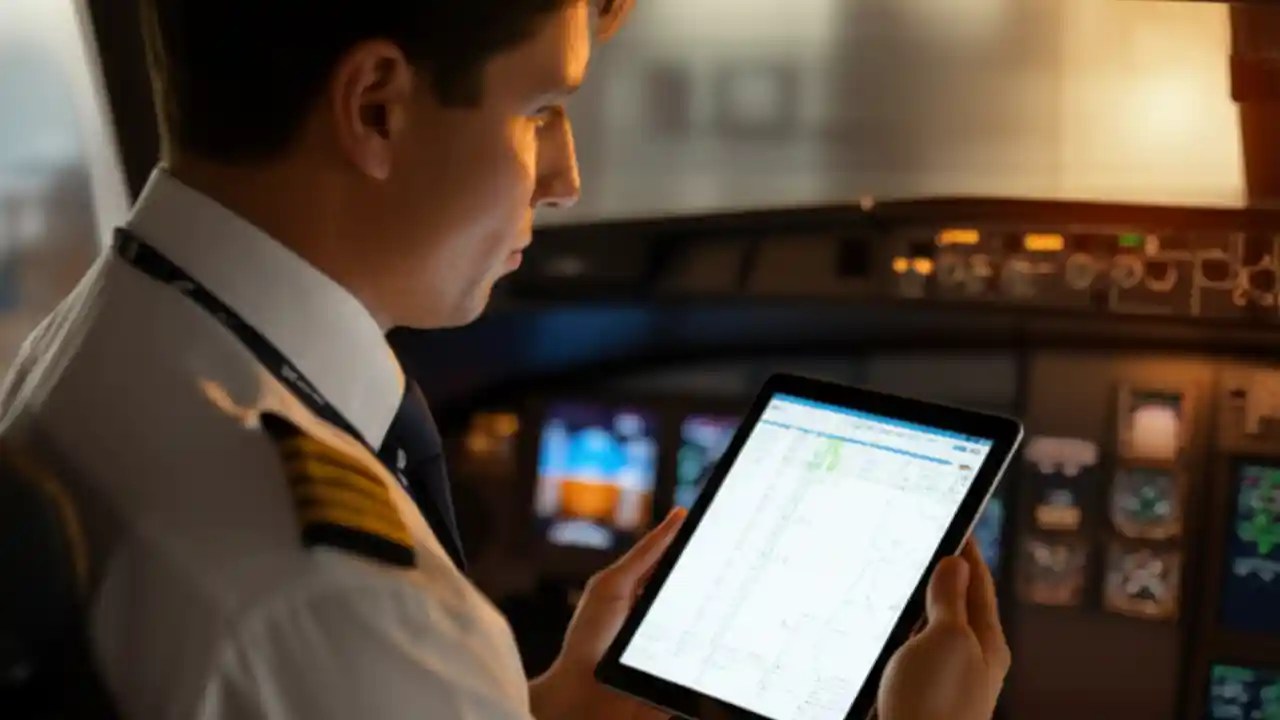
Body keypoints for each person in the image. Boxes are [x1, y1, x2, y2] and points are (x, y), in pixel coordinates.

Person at [0, 1, 1010, 718]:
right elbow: (325, 656)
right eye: (535, 113)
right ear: (375, 109)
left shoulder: (97, 338)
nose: (566, 177)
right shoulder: (334, 605)